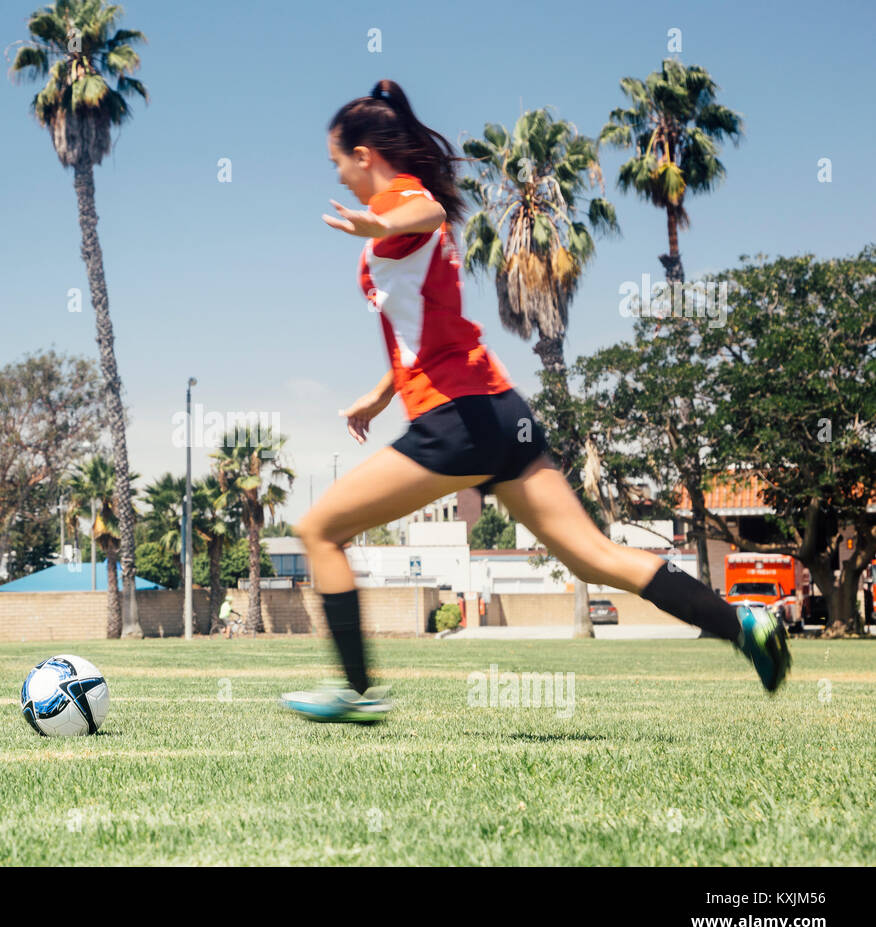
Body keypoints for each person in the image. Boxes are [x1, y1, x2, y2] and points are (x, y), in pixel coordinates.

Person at [279, 80, 791, 723]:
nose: (339, 177)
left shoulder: (402, 202)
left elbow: (429, 211)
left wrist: (378, 220)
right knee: (594, 557)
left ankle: (356, 692)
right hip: (501, 413)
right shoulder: (394, 222)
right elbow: (425, 329)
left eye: (337, 163)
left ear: (363, 154)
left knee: (319, 530)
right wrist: (381, 393)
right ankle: (745, 626)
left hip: (457, 421)